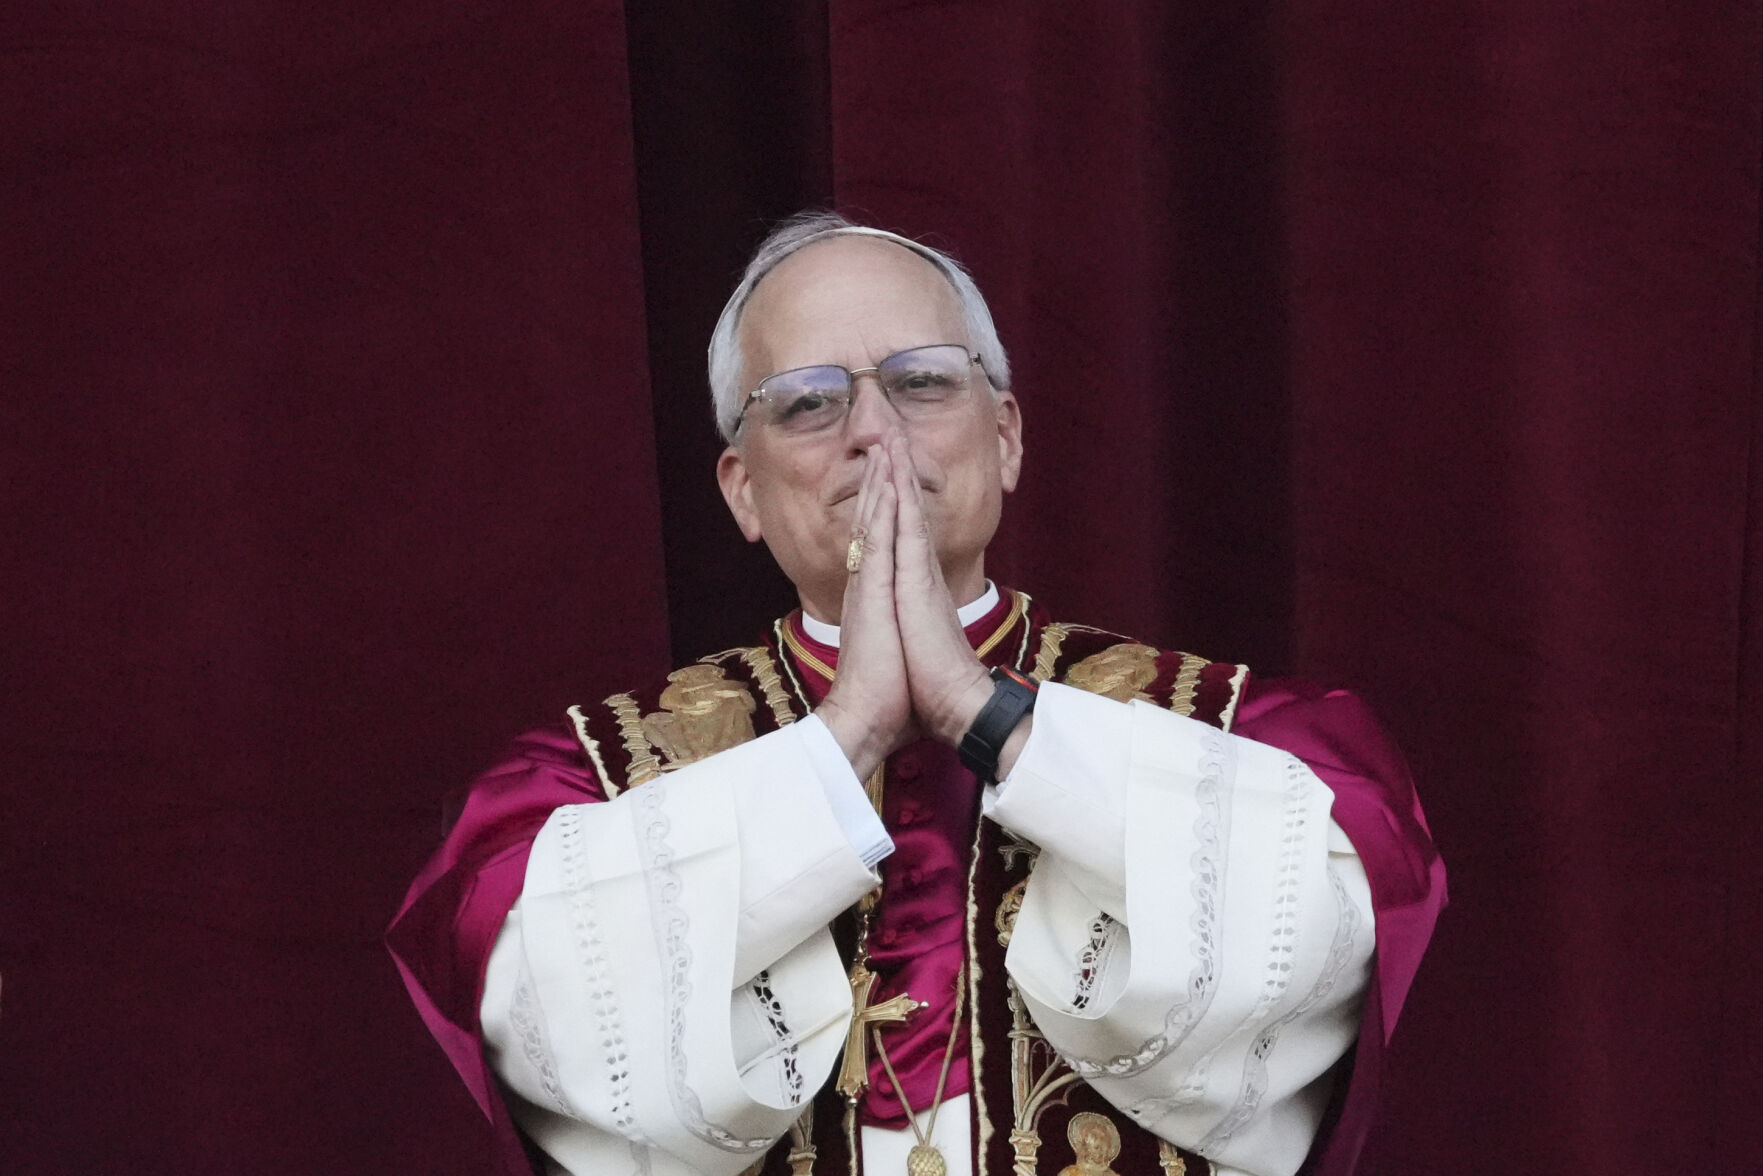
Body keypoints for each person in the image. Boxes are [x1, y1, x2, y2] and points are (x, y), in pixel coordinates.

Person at [387, 213, 1445, 1176]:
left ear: (1008, 436)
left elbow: (1334, 916)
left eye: (923, 382)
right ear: (742, 490)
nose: (874, 432)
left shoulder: (1229, 727)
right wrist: (839, 742)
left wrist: (991, 720)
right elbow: (532, 1002)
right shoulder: (587, 781)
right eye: (808, 402)